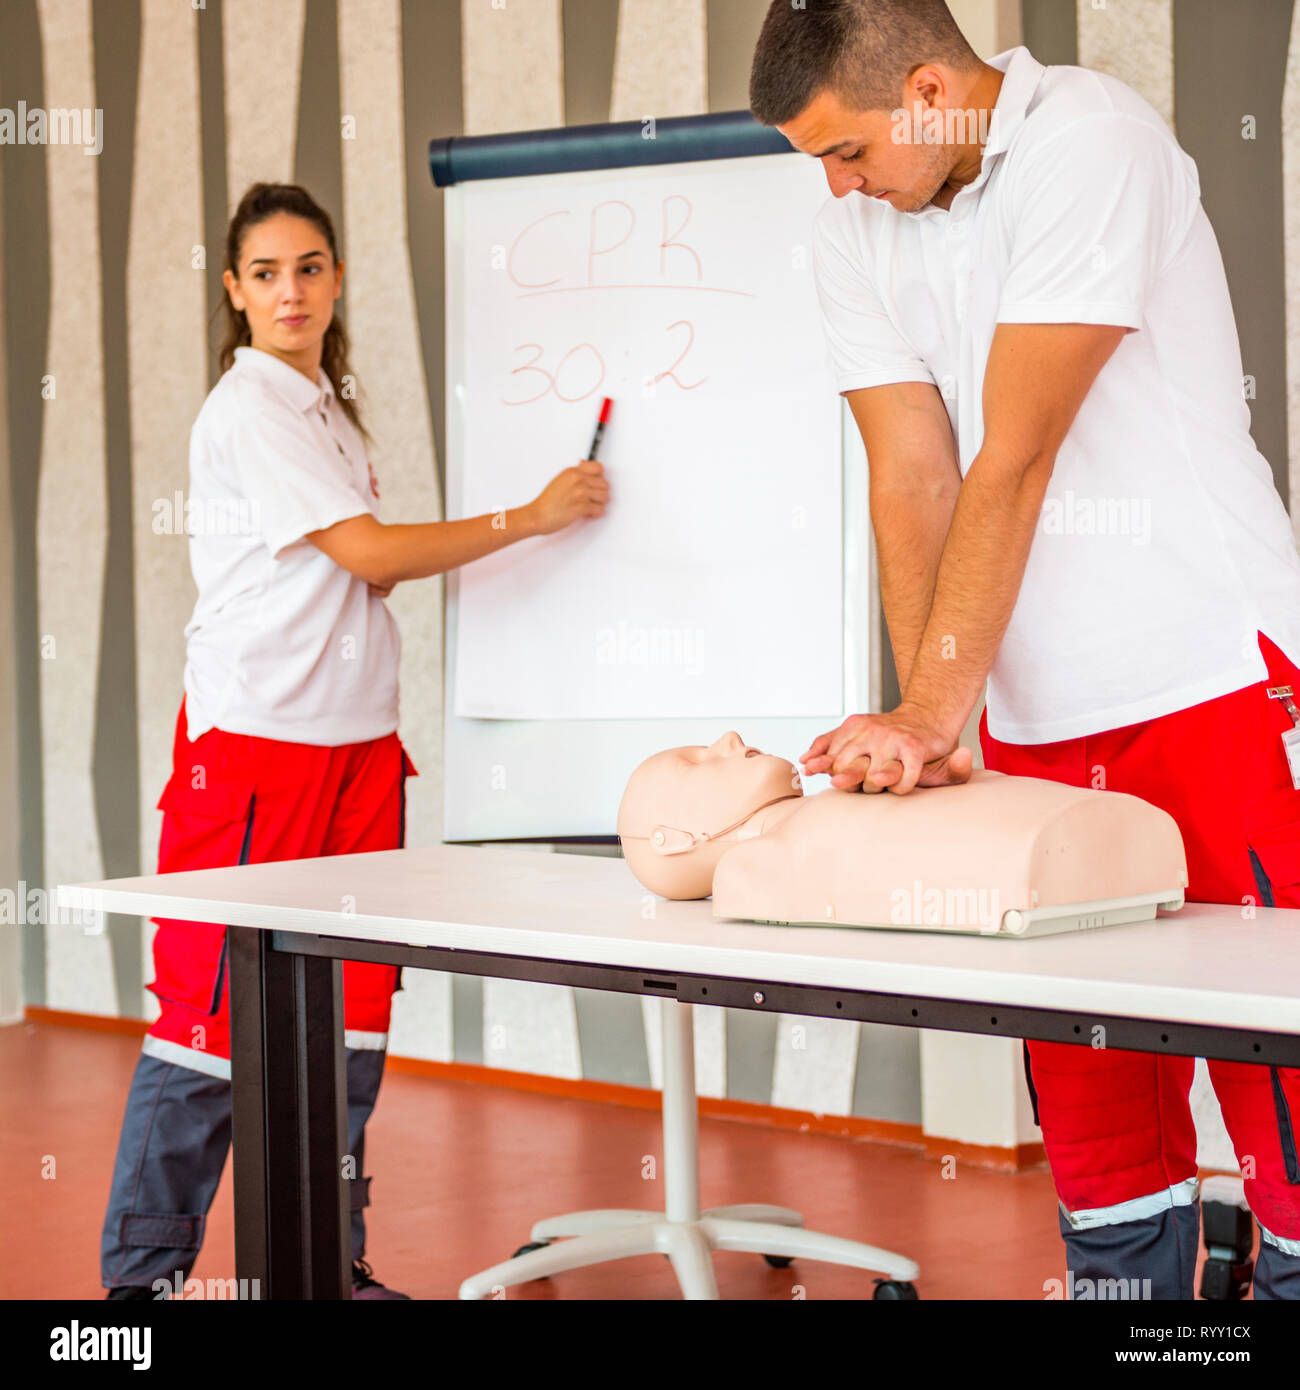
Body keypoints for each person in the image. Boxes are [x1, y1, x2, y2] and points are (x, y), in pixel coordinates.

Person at [749, 0, 1300, 1298]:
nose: (834, 184)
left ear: (932, 89)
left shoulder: (1090, 144)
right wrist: (923, 726)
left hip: (1211, 675)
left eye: (847, 149)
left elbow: (1016, 452)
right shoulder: (855, 234)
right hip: (1047, 727)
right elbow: (910, 475)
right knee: (1104, 1133)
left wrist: (933, 710)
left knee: (1282, 1097)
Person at [101, 182, 609, 1299]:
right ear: (234, 290)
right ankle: (139, 1286)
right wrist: (527, 516)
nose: (293, 289)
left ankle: (329, 1263)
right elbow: (370, 556)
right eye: (269, 272)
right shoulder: (248, 409)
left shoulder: (323, 406)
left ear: (336, 279)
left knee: (347, 1014)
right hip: (253, 752)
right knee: (208, 1024)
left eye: (312, 267)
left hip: (359, 753)